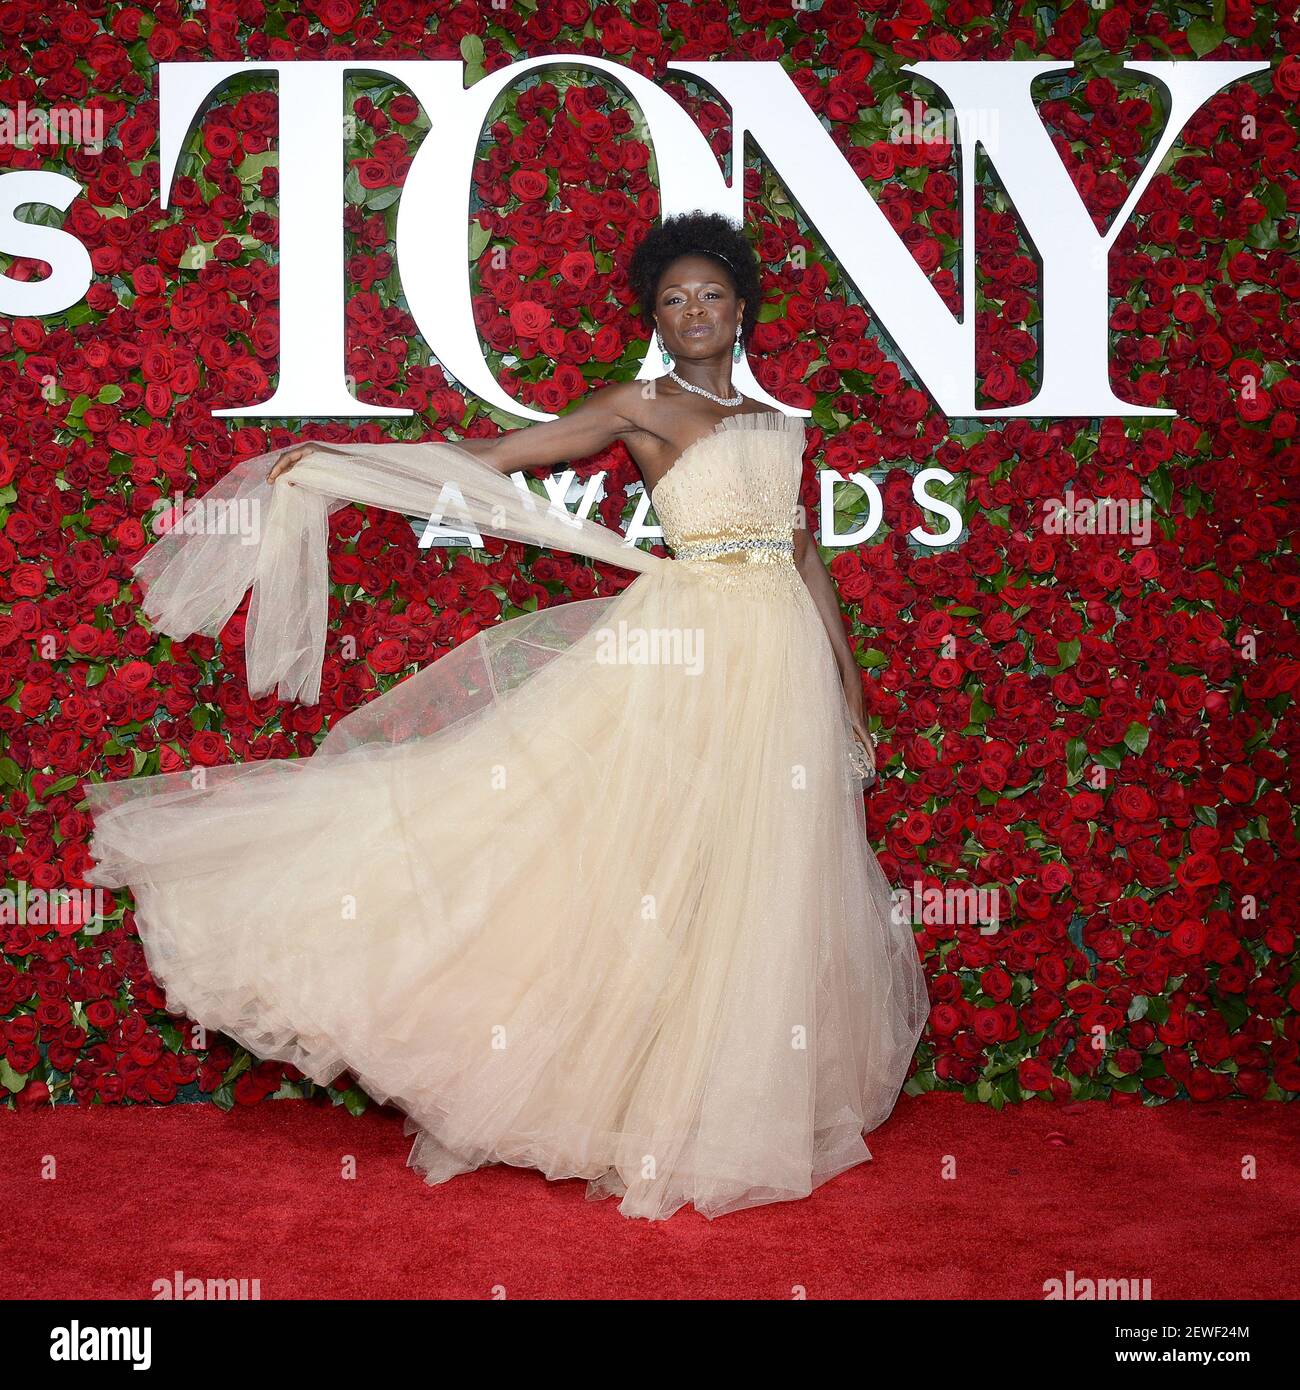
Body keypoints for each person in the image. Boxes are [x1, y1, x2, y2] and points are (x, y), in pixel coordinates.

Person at [83, 210, 929, 1221]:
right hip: (689, 645)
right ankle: (626, 1093)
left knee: (757, 868)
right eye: (672, 299)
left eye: (709, 293)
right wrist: (340, 463)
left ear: (741, 306)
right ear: (656, 319)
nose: (693, 309)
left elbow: (803, 556)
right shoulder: (638, 406)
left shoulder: (775, 425)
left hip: (779, 659)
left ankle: (726, 1094)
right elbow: (494, 452)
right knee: (639, 854)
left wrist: (848, 684)